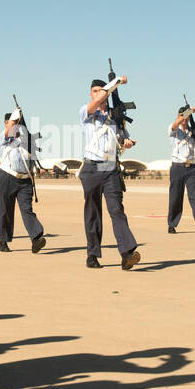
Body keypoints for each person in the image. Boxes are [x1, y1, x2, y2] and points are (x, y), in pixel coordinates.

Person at [79, 76, 140, 269]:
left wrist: (127, 143)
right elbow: (97, 102)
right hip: (91, 167)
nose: (99, 94)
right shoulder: (86, 113)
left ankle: (127, 253)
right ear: (91, 94)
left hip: (110, 167)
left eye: (101, 90)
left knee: (117, 210)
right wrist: (114, 85)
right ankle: (92, 255)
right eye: (95, 91)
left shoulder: (116, 117)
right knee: (93, 212)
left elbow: (123, 140)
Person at [0, 110, 46, 252]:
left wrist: (36, 169)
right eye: (12, 122)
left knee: (27, 210)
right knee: (6, 211)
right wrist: (14, 118)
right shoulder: (4, 135)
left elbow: (32, 156)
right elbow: (8, 133)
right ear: (7, 123)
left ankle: (36, 238)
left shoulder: (27, 139)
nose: (16, 124)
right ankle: (3, 240)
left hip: (24, 180)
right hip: (7, 177)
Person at [167, 104, 195, 235]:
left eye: (187, 116)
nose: (185, 119)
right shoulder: (173, 129)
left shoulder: (193, 132)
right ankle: (172, 224)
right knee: (175, 197)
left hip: (192, 168)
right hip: (177, 168)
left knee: (194, 196)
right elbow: (177, 122)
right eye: (183, 116)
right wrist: (189, 111)